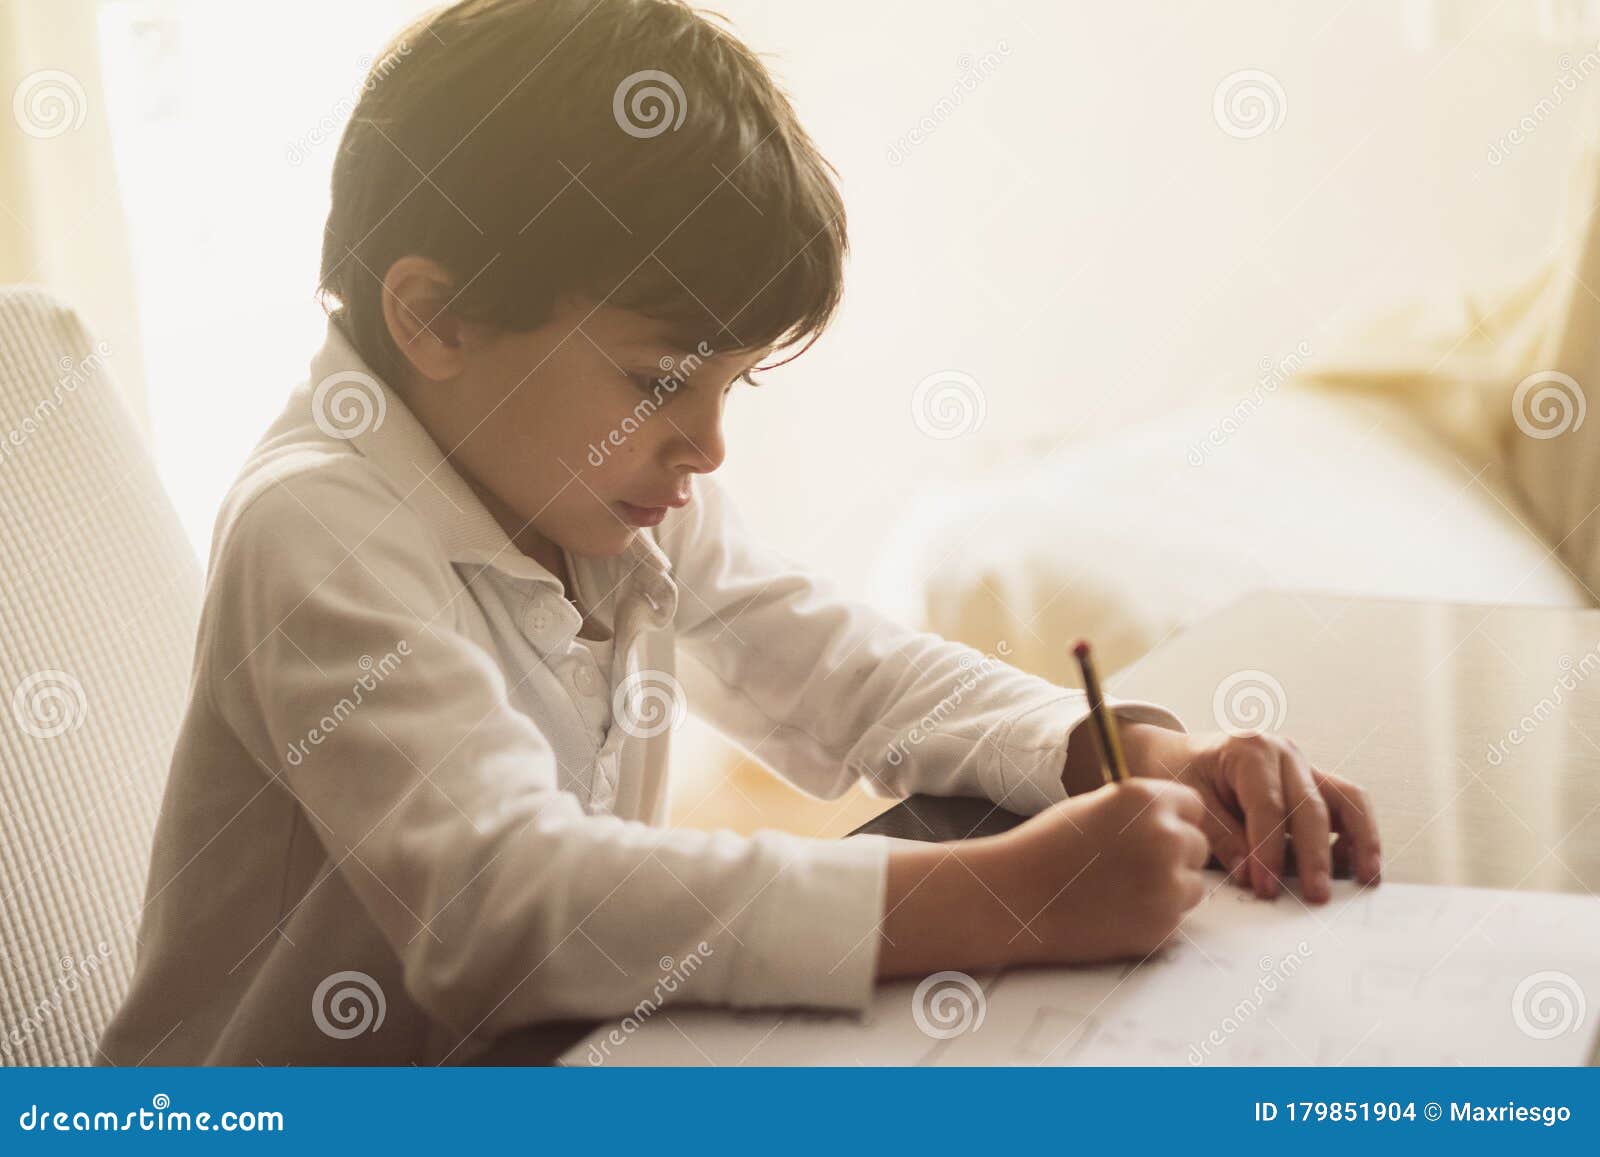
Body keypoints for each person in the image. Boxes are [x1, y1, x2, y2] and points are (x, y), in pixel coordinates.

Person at [100, 0, 1380, 1065]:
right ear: (434, 317)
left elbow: (839, 670)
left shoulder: (576, 482)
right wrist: (1005, 895)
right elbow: (501, 906)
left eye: (733, 388)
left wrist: (1117, 746)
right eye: (662, 379)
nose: (707, 447)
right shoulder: (316, 523)